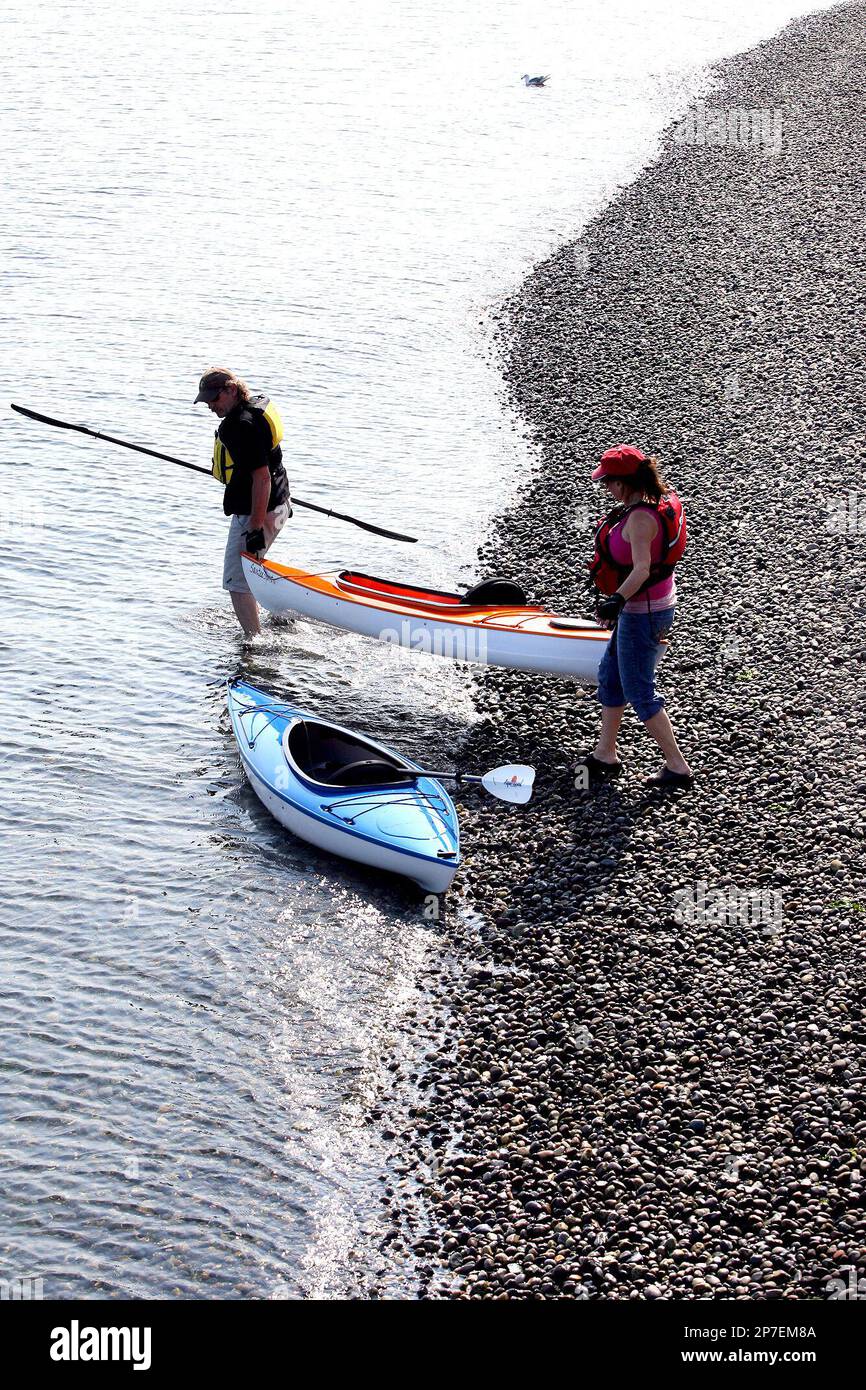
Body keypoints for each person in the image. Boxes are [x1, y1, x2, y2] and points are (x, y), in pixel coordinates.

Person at [585, 444, 692, 788]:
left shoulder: (642, 518)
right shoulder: (649, 501)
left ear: (623, 483)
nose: (605, 488)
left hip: (644, 611)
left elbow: (643, 568)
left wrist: (616, 601)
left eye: (607, 482)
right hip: (642, 607)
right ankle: (606, 754)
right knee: (610, 676)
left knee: (639, 688)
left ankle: (677, 767)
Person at [194, 368, 291, 637]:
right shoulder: (254, 409)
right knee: (252, 568)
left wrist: (256, 527)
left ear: (231, 390)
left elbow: (261, 479)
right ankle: (284, 616)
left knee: (237, 582)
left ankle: (253, 642)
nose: (212, 406)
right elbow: (263, 469)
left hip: (259, 512)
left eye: (214, 399)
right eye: (207, 401)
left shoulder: (239, 426)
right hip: (281, 504)